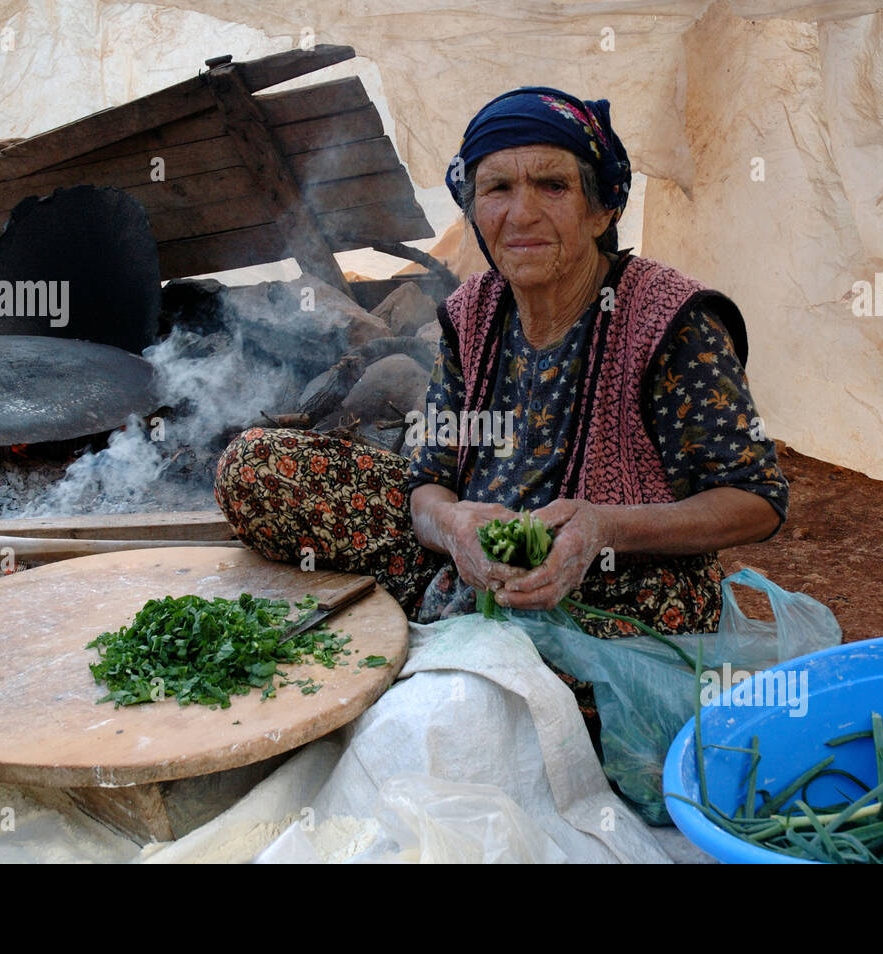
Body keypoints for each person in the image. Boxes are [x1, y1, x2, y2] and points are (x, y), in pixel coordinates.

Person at [214, 86, 787, 733]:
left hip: (618, 576)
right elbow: (427, 478)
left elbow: (756, 499)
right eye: (497, 190)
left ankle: (452, 632)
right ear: (473, 210)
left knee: (544, 673)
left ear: (601, 209)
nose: (522, 214)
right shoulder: (471, 313)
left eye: (552, 186)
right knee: (259, 467)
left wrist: (603, 527)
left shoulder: (671, 318)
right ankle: (456, 618)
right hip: (469, 558)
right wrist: (454, 526)